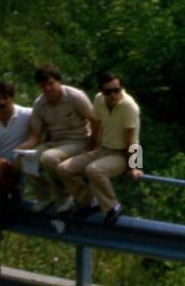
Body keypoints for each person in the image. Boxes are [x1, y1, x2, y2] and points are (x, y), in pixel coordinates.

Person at [56, 71, 141, 224]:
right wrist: (90, 146)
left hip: (122, 154)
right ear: (102, 92)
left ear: (122, 89)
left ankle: (113, 206)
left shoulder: (129, 106)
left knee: (94, 169)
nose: (113, 95)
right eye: (108, 92)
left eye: (117, 90)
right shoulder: (99, 100)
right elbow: (96, 125)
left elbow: (132, 140)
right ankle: (89, 202)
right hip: (103, 148)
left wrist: (135, 165)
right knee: (64, 169)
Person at [14, 63, 91, 213]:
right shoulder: (39, 104)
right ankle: (45, 196)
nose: (48, 89)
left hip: (77, 141)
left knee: (49, 158)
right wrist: (21, 149)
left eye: (51, 84)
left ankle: (65, 196)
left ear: (59, 81)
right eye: (43, 86)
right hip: (55, 142)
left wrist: (93, 145)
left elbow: (95, 120)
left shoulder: (75, 96)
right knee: (22, 159)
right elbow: (34, 136)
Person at [0, 81, 30, 278]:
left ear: (12, 98)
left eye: (5, 98)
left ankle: (17, 188)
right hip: (2, 168)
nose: (1, 102)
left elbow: (41, 130)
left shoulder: (26, 114)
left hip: (22, 164)